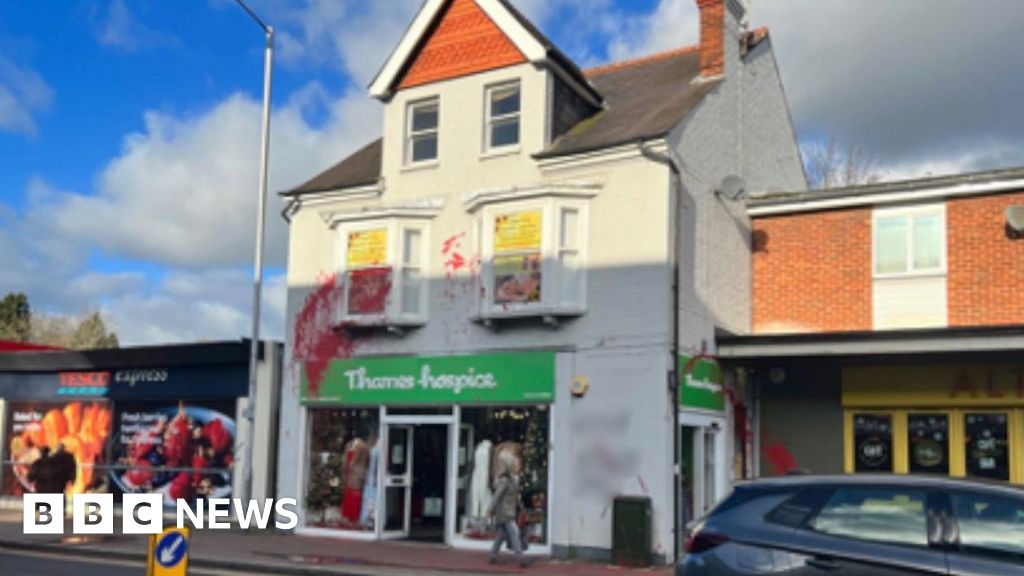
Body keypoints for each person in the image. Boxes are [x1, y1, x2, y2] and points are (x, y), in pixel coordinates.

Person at [488, 452, 529, 567]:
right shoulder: (505, 481)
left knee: (502, 534)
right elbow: (497, 496)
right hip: (505, 512)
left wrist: (522, 508)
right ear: (509, 465)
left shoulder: (513, 480)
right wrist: (490, 510)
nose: (518, 466)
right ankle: (521, 558)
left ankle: (493, 554)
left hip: (509, 511)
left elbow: (516, 496)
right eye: (515, 464)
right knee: (514, 532)